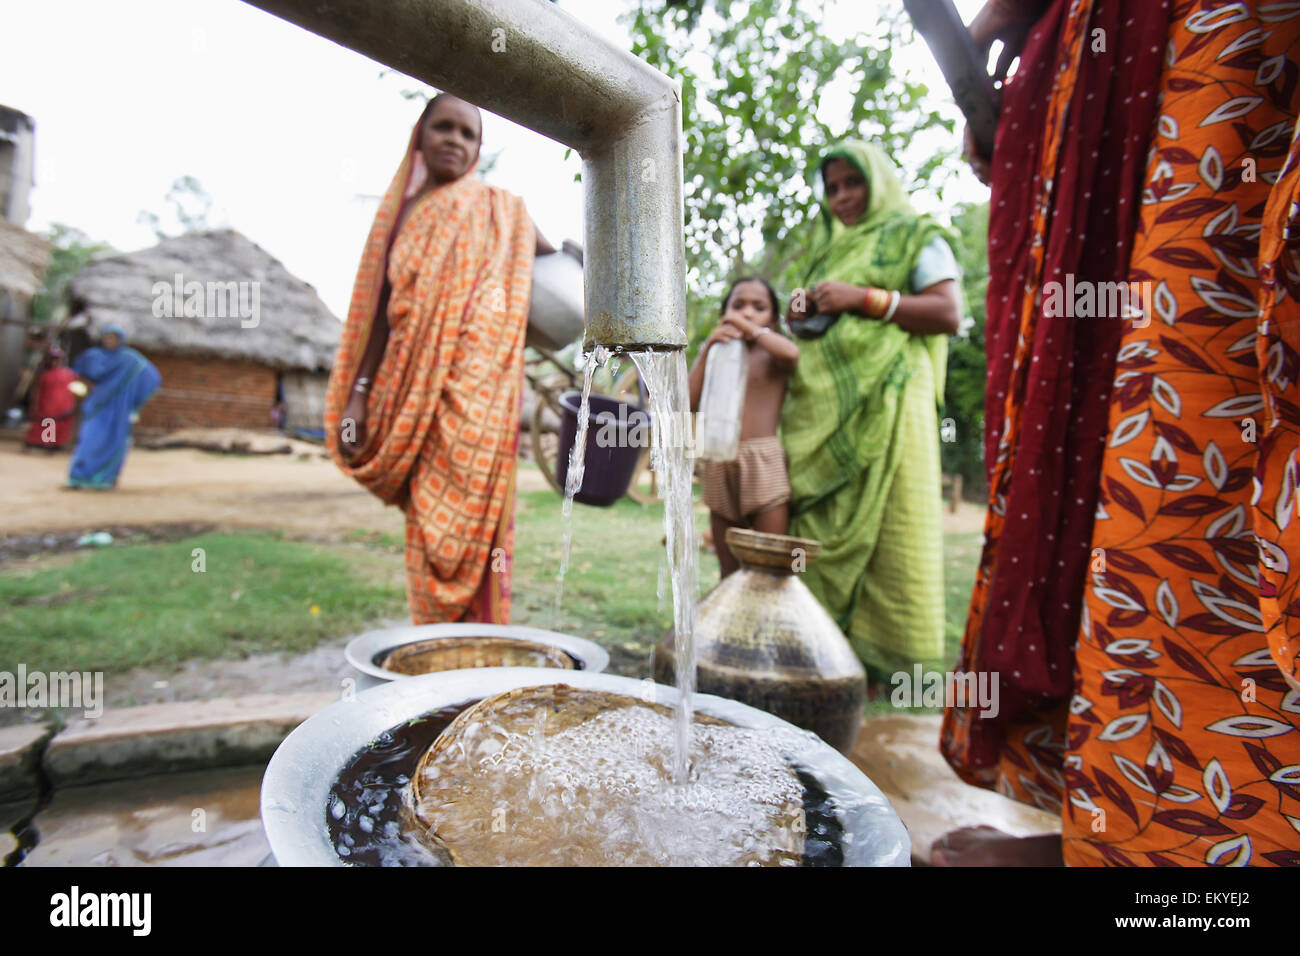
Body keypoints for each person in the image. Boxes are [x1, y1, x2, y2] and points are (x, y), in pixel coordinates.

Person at [938, 0, 1300, 867]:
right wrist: (1009, 28)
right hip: (1137, 52)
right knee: (1128, 452)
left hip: (1239, 52)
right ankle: (1100, 833)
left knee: (1208, 412)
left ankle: (1204, 860)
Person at [325, 94, 554, 624]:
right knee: (430, 521)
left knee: (477, 526)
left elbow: (551, 257)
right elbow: (379, 315)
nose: (454, 139)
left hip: (481, 397)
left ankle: (476, 654)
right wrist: (358, 396)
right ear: (420, 136)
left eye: (467, 133)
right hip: (414, 390)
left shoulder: (502, 208)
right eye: (443, 127)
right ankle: (431, 646)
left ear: (478, 149)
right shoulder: (402, 215)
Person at [780, 139, 962, 685]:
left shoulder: (915, 234)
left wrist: (866, 299)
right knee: (814, 518)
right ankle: (816, 646)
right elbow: (796, 316)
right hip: (821, 412)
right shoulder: (827, 250)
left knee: (890, 524)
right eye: (832, 188)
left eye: (853, 183)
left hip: (891, 396)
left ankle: (881, 660)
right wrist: (802, 306)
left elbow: (948, 312)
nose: (842, 198)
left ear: (878, 181)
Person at [688, 277, 800, 577]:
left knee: (770, 564)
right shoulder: (718, 353)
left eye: (758, 308)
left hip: (763, 461)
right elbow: (685, 401)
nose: (747, 313)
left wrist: (753, 331)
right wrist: (707, 347)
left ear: (773, 321)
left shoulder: (772, 354)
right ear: (724, 314)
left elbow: (792, 354)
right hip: (719, 461)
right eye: (738, 306)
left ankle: (770, 621)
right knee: (730, 567)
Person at [65, 326, 161, 490]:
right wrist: (86, 386)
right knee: (89, 441)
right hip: (97, 406)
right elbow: (76, 373)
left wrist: (135, 404)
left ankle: (104, 479)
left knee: (114, 442)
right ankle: (79, 477)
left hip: (119, 410)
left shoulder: (130, 360)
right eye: (107, 337)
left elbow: (152, 378)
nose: (110, 341)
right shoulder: (93, 356)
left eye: (114, 338)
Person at [24, 348, 77, 452]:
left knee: (59, 424)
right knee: (47, 423)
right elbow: (36, 390)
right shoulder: (43, 375)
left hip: (63, 404)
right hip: (47, 403)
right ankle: (44, 443)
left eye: (57, 360)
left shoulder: (69, 374)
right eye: (52, 360)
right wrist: (34, 404)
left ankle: (55, 444)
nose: (55, 363)